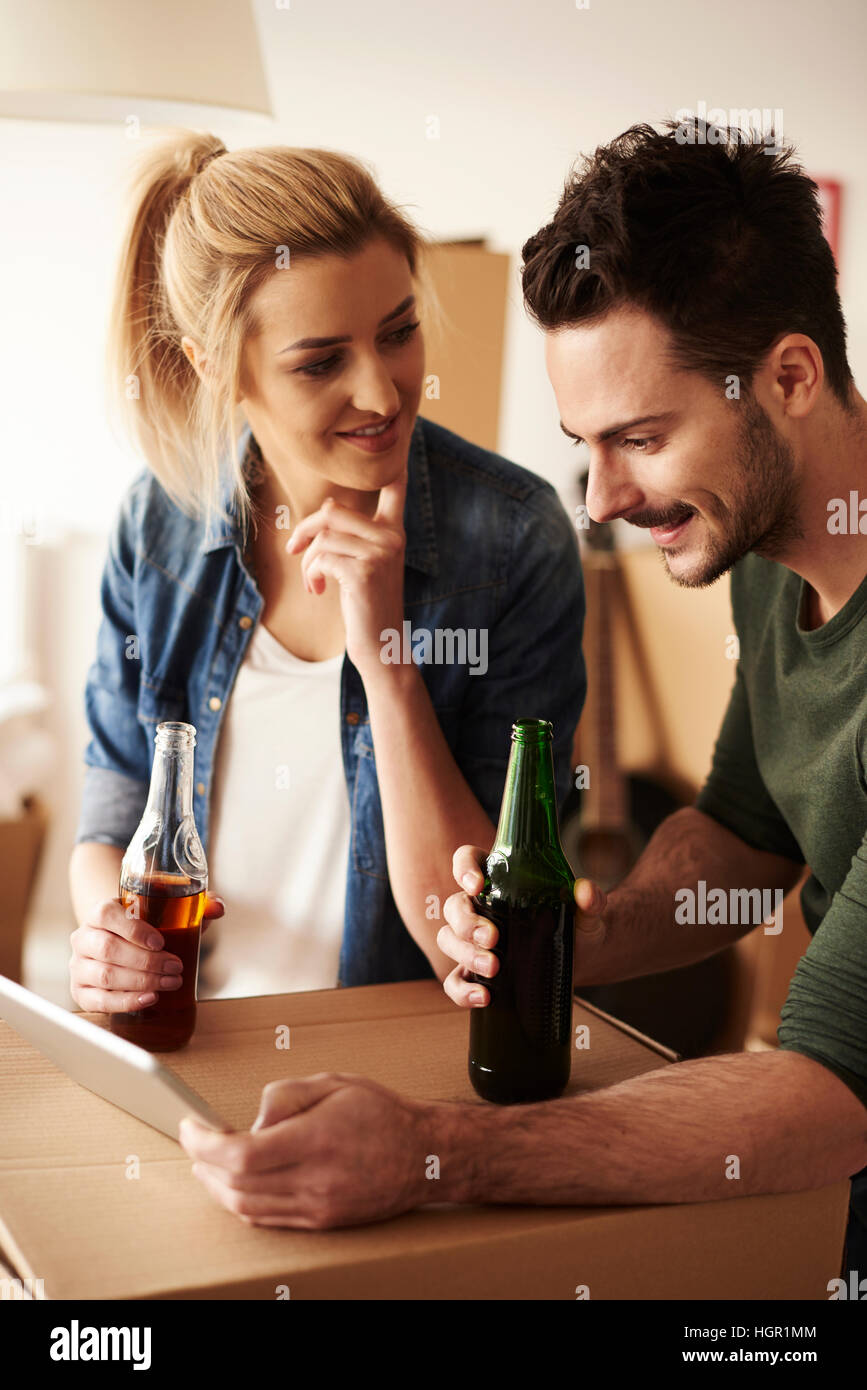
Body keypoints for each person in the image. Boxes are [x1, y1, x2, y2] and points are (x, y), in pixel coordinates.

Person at [177, 122, 867, 1287]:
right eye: (584, 447)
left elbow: (835, 1091)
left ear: (789, 377)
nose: (598, 501)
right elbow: (746, 838)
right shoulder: (771, 555)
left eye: (641, 439)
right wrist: (572, 943)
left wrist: (432, 1151)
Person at [67, 130, 585, 1007]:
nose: (384, 393)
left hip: (388, 1078)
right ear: (214, 368)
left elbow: (478, 946)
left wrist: (386, 663)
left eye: (399, 333)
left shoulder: (512, 541)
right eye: (319, 362)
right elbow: (112, 822)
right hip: (186, 1044)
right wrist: (104, 941)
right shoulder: (156, 526)